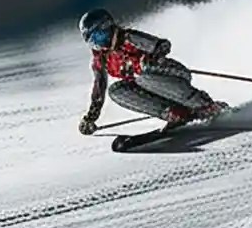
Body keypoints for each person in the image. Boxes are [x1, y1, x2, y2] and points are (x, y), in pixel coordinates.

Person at [77, 8, 227, 136]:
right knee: (116, 91)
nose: (98, 44)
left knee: (141, 75)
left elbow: (163, 45)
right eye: (92, 40)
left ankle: (203, 104)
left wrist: (151, 58)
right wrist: (91, 118)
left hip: (169, 72)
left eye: (99, 36)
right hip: (145, 84)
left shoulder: (129, 38)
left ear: (108, 28)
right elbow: (99, 89)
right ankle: (175, 113)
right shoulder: (101, 58)